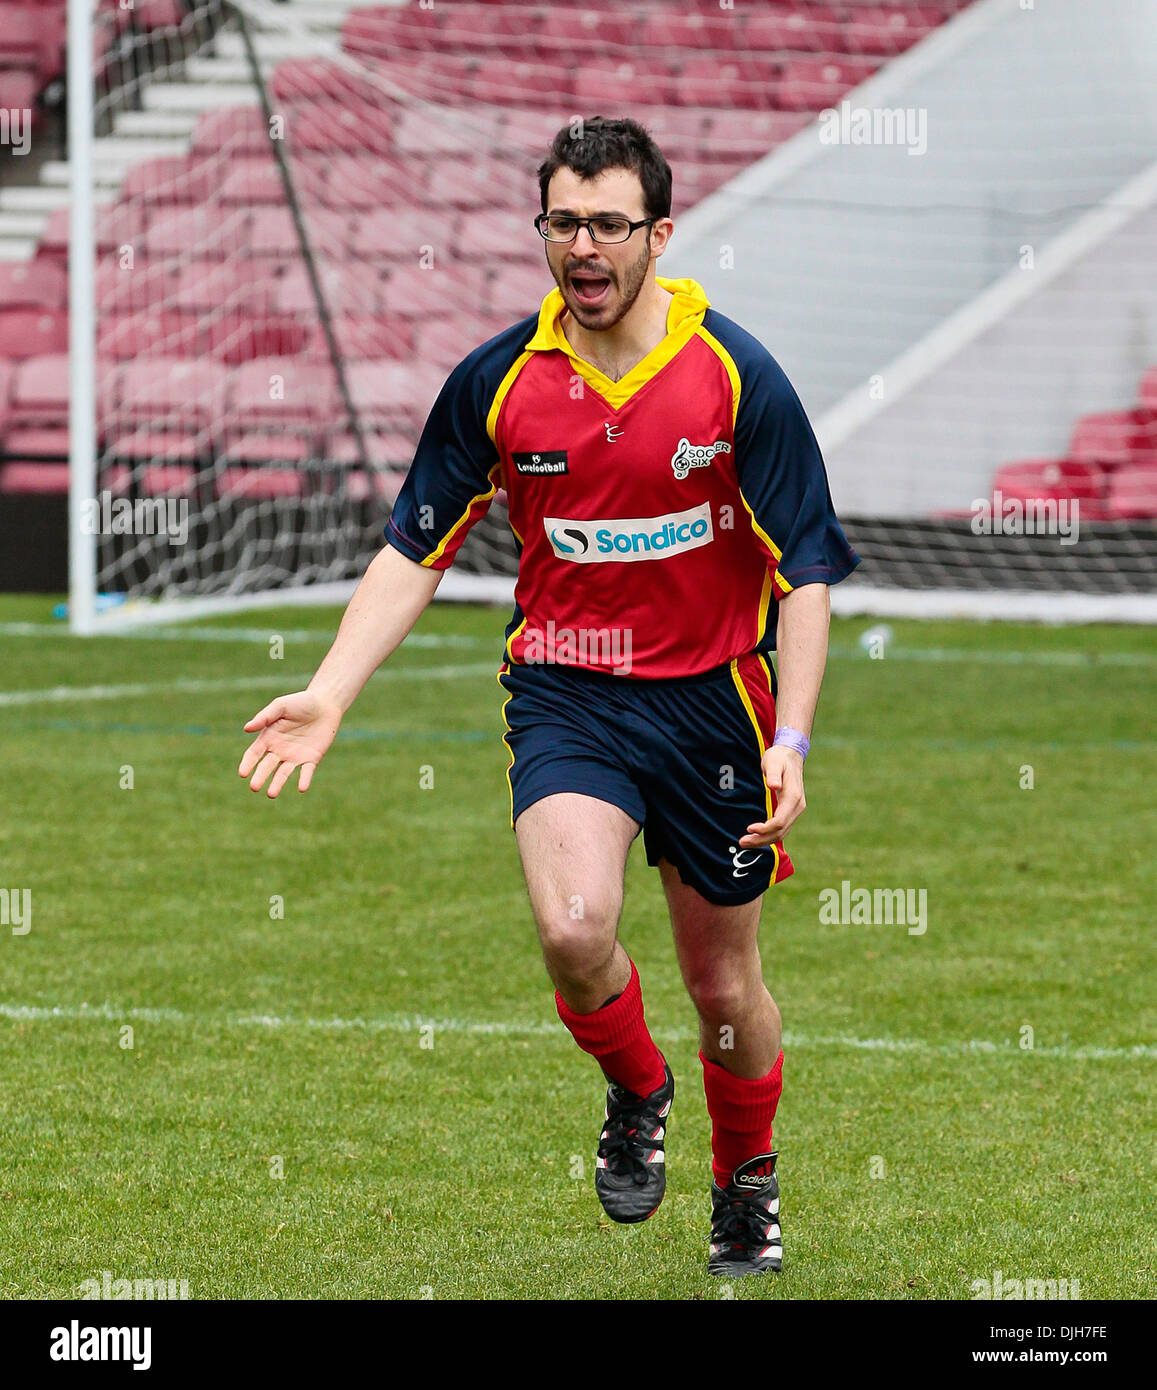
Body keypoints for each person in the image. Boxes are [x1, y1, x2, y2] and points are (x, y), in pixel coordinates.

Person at [239, 116, 859, 1278]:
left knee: (722, 982)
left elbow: (806, 572)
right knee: (575, 929)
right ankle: (636, 1087)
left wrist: (791, 736)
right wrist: (330, 690)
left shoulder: (736, 376)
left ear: (658, 235)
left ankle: (745, 1180)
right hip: (569, 694)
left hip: (714, 706)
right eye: (562, 220)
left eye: (608, 223)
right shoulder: (496, 383)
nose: (583, 244)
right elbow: (412, 548)